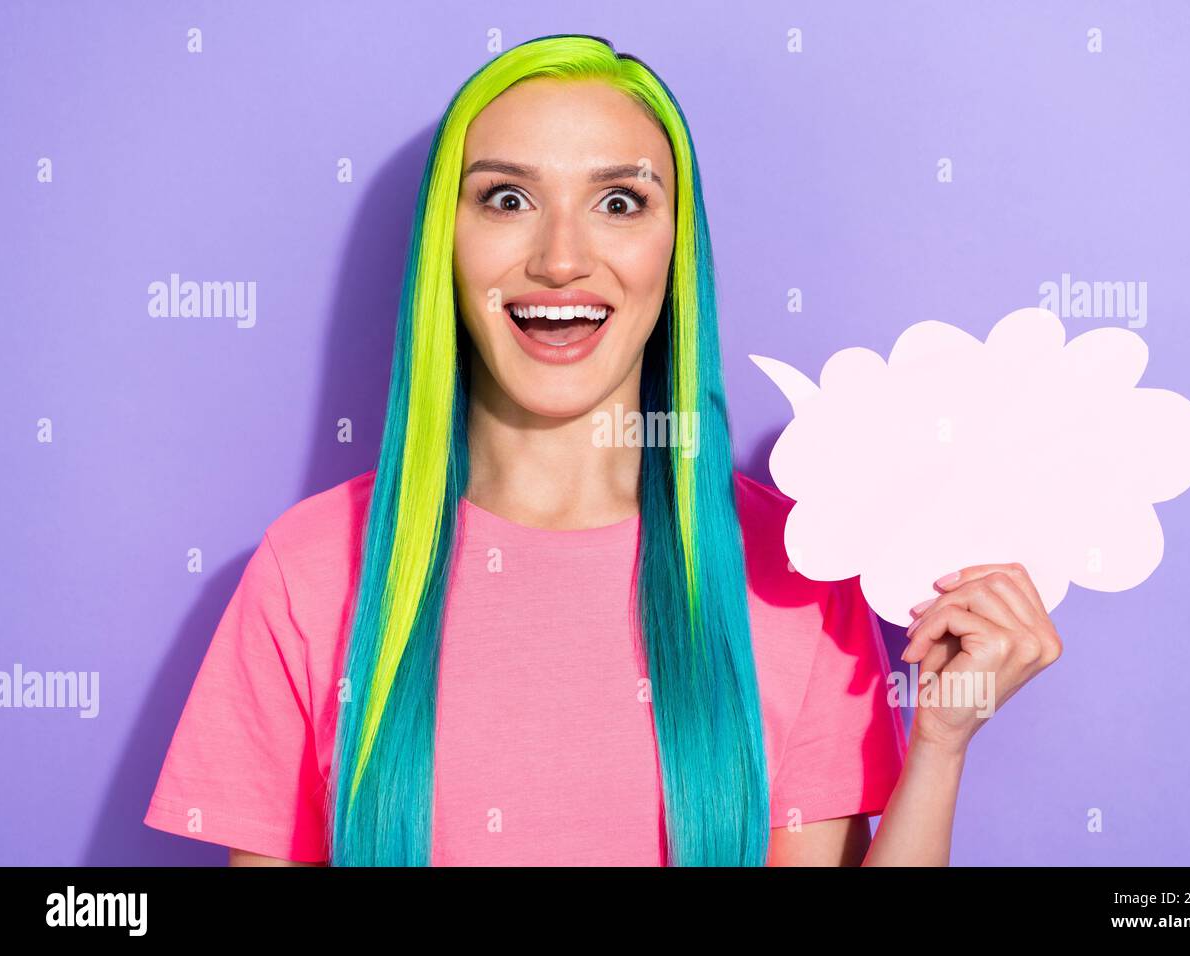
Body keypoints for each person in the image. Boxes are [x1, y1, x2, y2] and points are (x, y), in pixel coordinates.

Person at [142, 33, 1062, 867]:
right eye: (507, 198)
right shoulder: (308, 571)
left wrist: (939, 745)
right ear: (444, 247)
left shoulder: (793, 572)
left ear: (675, 250)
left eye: (619, 201)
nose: (560, 258)